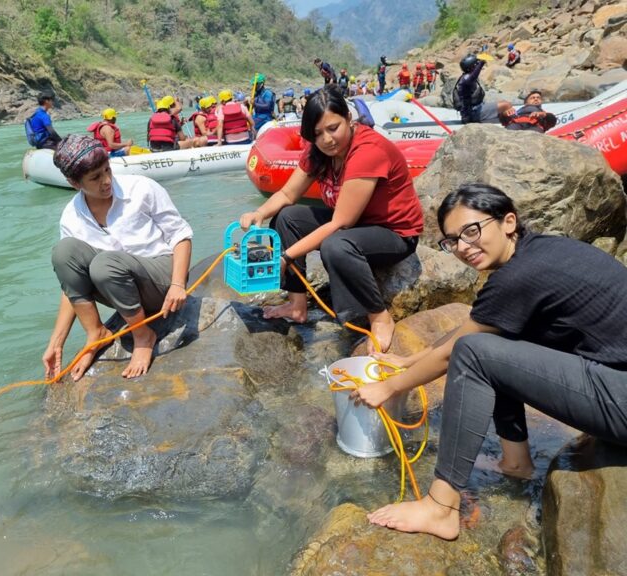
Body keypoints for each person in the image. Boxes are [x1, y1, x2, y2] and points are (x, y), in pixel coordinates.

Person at [352, 182, 627, 540]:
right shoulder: (539, 253)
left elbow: (460, 349)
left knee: (476, 353)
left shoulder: (519, 276)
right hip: (615, 379)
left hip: (620, 398)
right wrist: (409, 362)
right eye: (453, 241)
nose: (464, 247)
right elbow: (475, 329)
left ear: (508, 221)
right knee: (497, 340)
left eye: (471, 231)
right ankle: (516, 463)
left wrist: (388, 387)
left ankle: (440, 507)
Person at [238, 84, 423, 354]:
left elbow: (340, 224)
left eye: (333, 128)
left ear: (348, 118)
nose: (327, 139)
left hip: (393, 232)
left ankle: (378, 316)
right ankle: (297, 305)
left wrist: (286, 258)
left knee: (336, 245)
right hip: (356, 223)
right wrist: (259, 213)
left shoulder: (367, 150)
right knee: (287, 217)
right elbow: (289, 193)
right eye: (318, 133)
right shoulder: (319, 152)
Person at [44, 134, 193, 381]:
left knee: (105, 264)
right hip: (117, 286)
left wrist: (178, 284)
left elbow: (181, 236)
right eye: (95, 178)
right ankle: (96, 334)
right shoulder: (71, 215)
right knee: (63, 252)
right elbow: (71, 283)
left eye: (107, 170)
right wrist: (56, 342)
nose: (107, 181)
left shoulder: (142, 188)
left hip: (160, 280)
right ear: (74, 183)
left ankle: (143, 335)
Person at [453, 53, 486, 124]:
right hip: (472, 114)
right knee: (503, 106)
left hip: (470, 113)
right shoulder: (467, 78)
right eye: (475, 64)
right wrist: (481, 64)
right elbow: (473, 76)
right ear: (471, 67)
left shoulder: (464, 76)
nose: (476, 65)